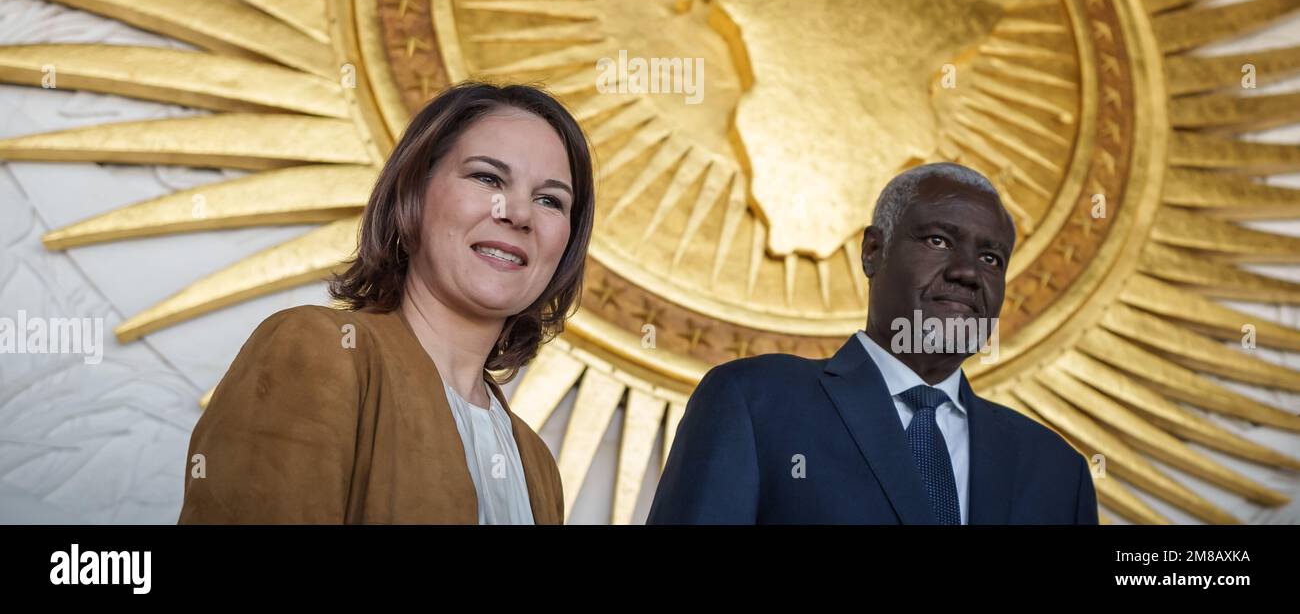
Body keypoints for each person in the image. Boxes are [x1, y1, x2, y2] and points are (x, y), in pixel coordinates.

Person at [178, 81, 595, 523]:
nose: (518, 214)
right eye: (487, 177)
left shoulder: (539, 468)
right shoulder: (317, 351)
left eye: (550, 200)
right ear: (413, 195)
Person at [647, 162, 1099, 524]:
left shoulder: (1058, 471)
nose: (967, 272)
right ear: (872, 252)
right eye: (939, 240)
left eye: (990, 257)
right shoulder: (754, 402)